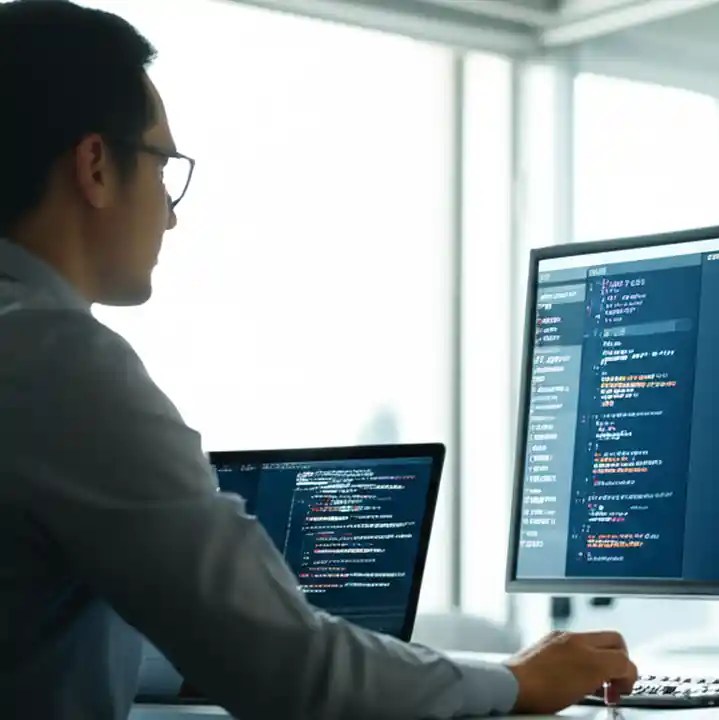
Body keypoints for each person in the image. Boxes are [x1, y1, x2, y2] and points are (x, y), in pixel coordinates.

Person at [0, 1, 637, 718]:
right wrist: (518, 682)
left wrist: (203, 649)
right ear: (94, 166)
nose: (172, 212)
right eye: (162, 165)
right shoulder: (61, 363)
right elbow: (295, 674)